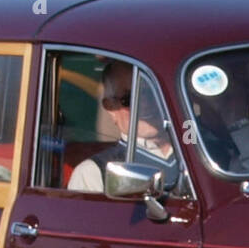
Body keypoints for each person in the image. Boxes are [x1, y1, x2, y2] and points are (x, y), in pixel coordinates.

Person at [68, 61, 178, 192]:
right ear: (111, 108)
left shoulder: (198, 149)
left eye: (151, 92)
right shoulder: (93, 172)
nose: (145, 104)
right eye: (129, 98)